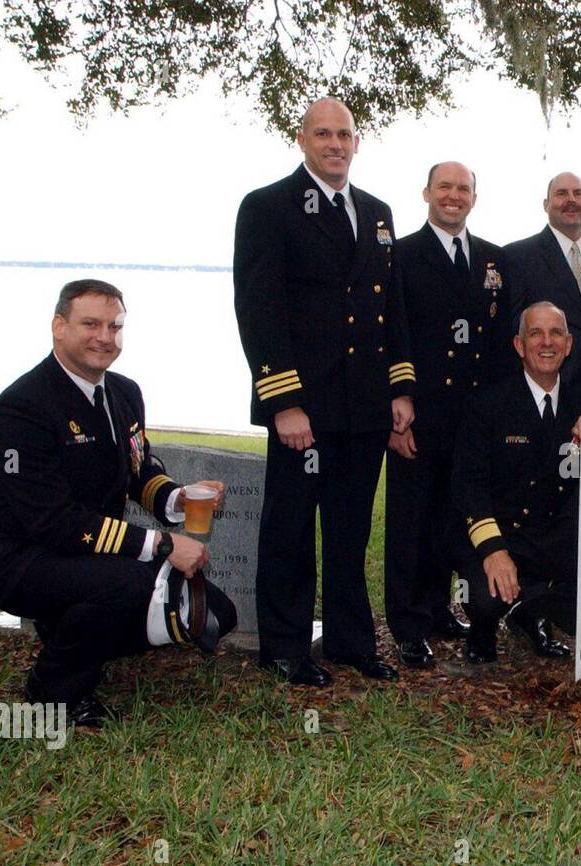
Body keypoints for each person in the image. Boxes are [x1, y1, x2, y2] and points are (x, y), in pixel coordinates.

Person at [0, 280, 237, 726]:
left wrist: (178, 496)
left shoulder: (124, 393)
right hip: (22, 559)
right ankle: (53, 689)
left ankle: (70, 631)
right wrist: (165, 545)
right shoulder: (21, 407)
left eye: (114, 326)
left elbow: (137, 471)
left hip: (89, 554)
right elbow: (53, 522)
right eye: (90, 324)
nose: (104, 337)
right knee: (133, 586)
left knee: (214, 614)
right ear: (59, 327)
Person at [234, 96, 413, 688]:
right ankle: (285, 646)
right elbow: (258, 310)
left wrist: (400, 389)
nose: (335, 144)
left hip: (363, 407)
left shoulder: (378, 212)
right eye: (323, 134)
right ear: (302, 138)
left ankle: (348, 639)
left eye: (345, 134)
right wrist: (284, 401)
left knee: (349, 529)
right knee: (289, 528)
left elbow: (391, 309)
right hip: (304, 410)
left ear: (357, 142)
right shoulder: (267, 207)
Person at [385, 161, 511, 669]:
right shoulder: (401, 256)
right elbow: (390, 335)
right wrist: (397, 407)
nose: (453, 196)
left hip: (473, 419)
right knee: (411, 521)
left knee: (453, 521)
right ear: (426, 193)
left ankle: (438, 609)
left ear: (474, 198)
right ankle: (408, 625)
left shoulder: (491, 260)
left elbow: (501, 343)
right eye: (445, 187)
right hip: (419, 413)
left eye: (463, 188)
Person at [451, 302, 581, 663]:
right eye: (535, 333)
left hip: (551, 537)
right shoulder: (488, 404)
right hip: (503, 533)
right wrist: (493, 551)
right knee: (485, 597)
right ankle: (483, 628)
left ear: (568, 345)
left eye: (555, 334)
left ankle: (532, 612)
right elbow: (468, 485)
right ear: (519, 346)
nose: (546, 343)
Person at [503, 172, 581, 416]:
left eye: (578, 193)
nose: (571, 200)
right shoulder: (518, 257)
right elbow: (511, 330)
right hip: (544, 401)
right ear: (546, 204)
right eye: (561, 193)